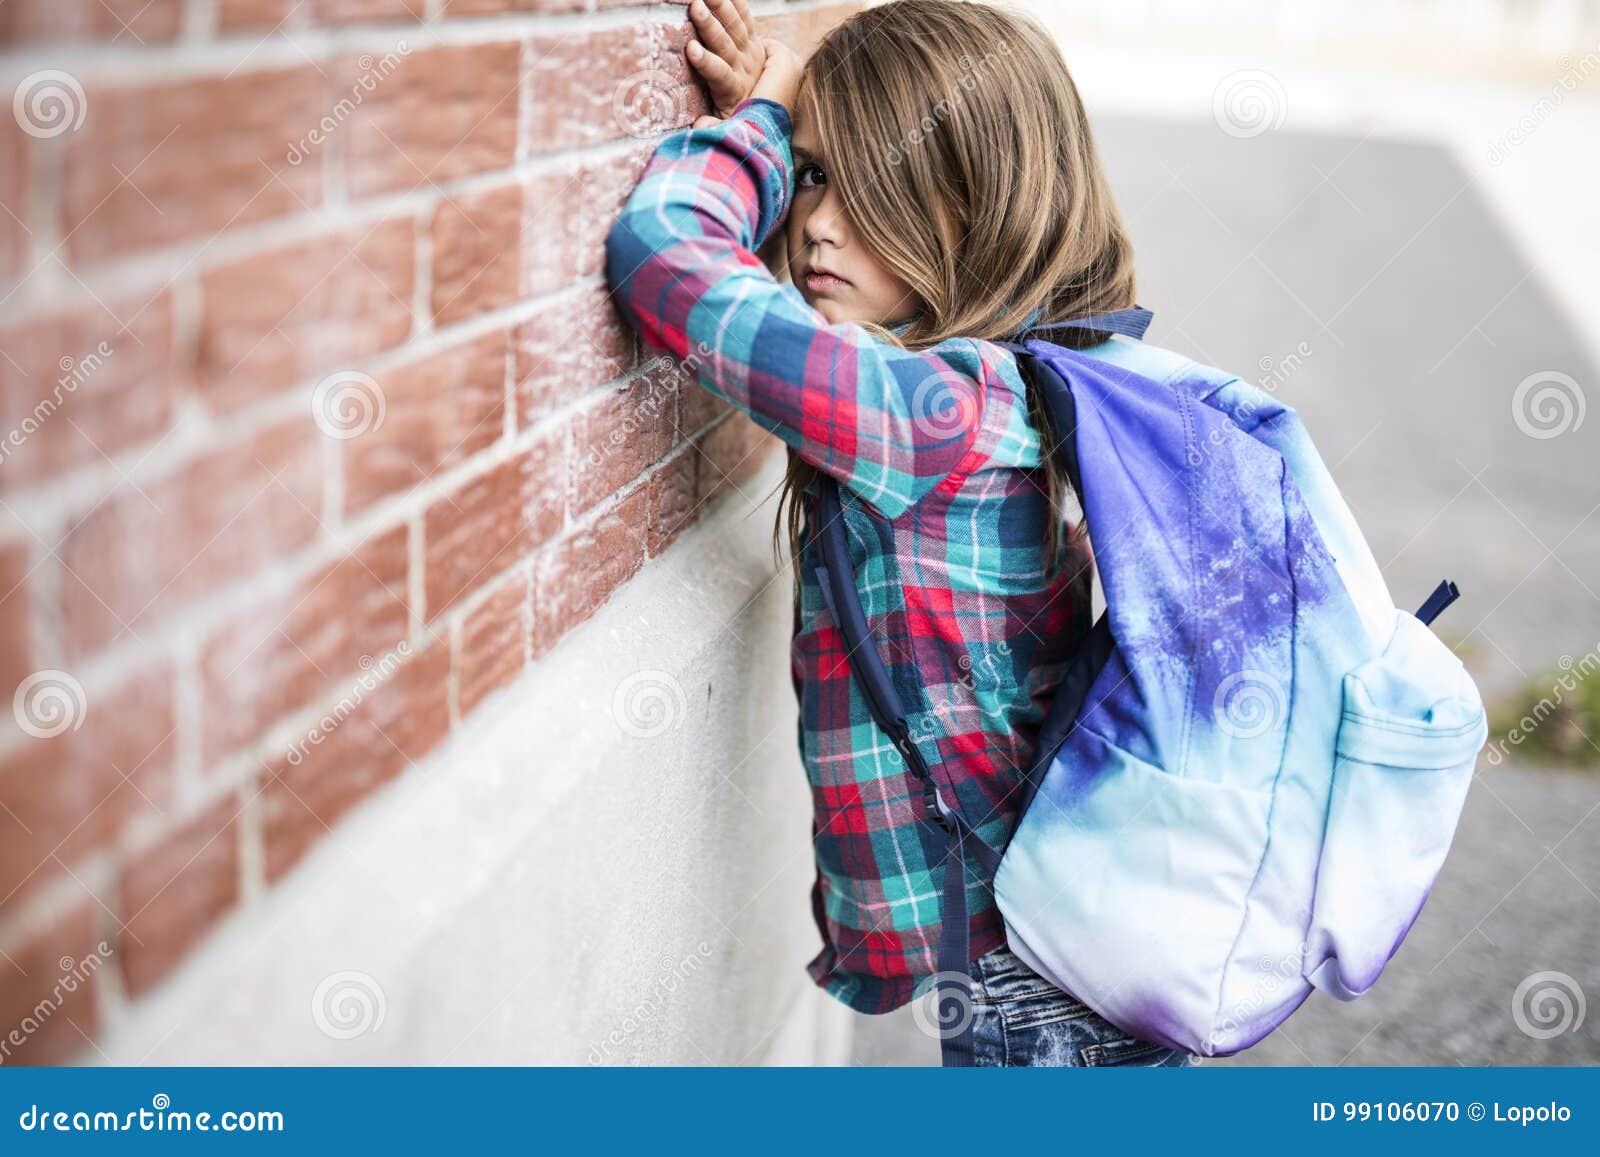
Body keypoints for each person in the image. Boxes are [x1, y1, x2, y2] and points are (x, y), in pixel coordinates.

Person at [606, 0, 1194, 1068]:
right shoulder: (1012, 380)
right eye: (819, 176)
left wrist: (761, 132)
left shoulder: (931, 414)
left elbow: (663, 252)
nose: (819, 222)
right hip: (1061, 950)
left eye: (866, 183)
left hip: (1046, 982)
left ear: (976, 196)